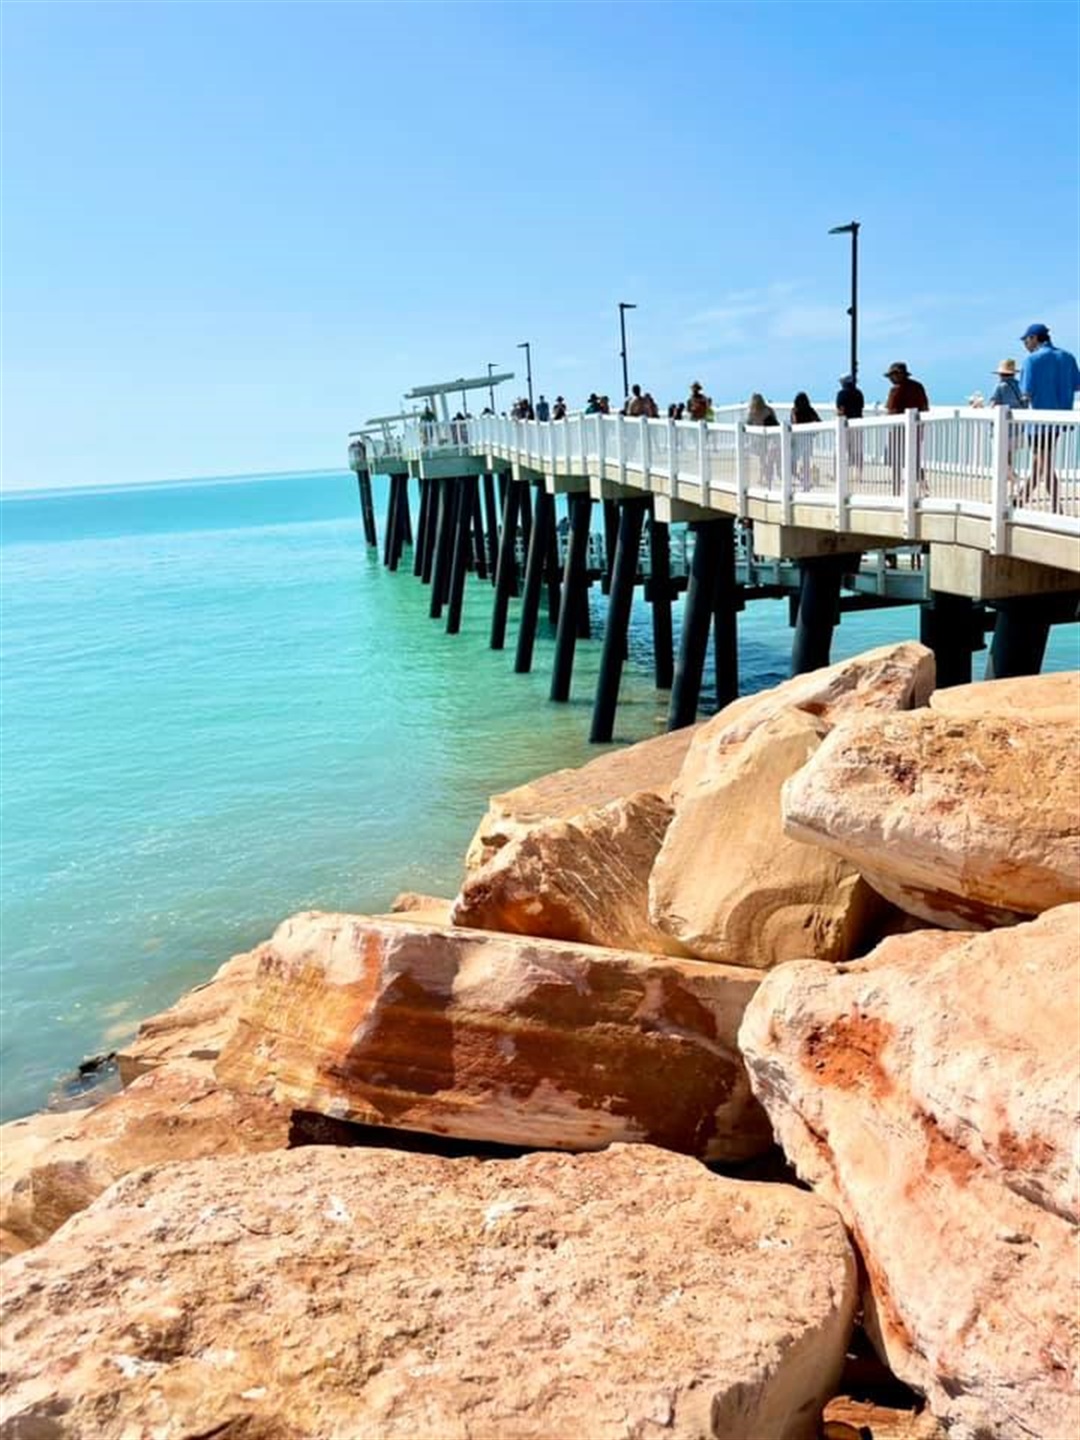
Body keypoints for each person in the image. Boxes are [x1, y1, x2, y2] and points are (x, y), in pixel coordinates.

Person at [1018, 323, 1080, 508]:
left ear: (1034, 338)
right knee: (1040, 463)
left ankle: (1056, 507)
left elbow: (1026, 393)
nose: (1024, 344)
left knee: (1044, 464)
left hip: (1037, 422)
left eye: (1025, 339)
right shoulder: (1068, 357)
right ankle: (1020, 500)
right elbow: (1077, 385)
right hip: (1059, 420)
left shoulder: (1032, 360)